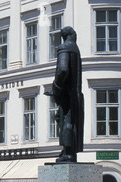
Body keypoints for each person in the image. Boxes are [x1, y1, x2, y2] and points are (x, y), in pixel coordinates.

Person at [45, 26, 84, 163]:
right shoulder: (76, 50)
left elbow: (62, 69)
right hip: (75, 93)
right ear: (72, 35)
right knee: (67, 120)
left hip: (66, 93)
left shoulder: (64, 48)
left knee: (65, 120)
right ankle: (69, 150)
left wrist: (56, 87)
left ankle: (68, 152)